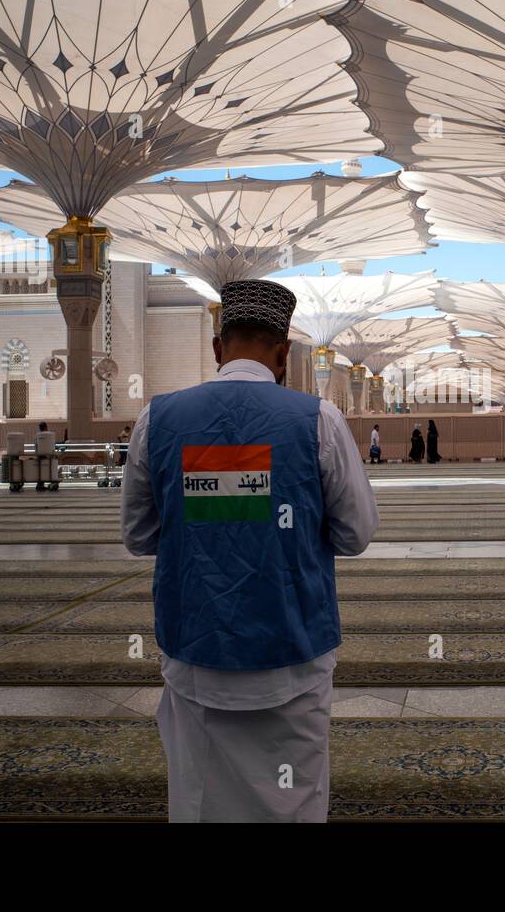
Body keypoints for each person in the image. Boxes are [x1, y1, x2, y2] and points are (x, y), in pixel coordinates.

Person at [120, 279, 378, 823]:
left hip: (195, 649)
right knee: (293, 799)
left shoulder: (158, 418)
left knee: (198, 798)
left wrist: (211, 513)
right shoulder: (318, 420)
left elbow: (139, 537)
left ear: (218, 349)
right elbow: (356, 535)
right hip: (293, 649)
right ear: (285, 353)